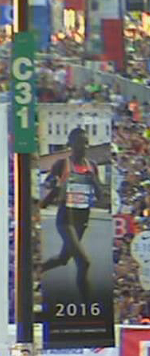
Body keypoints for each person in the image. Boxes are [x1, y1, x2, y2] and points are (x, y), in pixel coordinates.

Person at [40, 126, 106, 300]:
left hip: (82, 219)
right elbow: (48, 184)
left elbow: (100, 196)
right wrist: (55, 185)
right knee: (84, 263)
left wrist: (94, 182)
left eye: (85, 143)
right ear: (70, 144)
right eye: (79, 143)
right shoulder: (62, 164)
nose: (83, 147)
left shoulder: (92, 166)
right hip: (65, 218)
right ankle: (88, 305)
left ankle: (33, 271)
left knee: (63, 259)